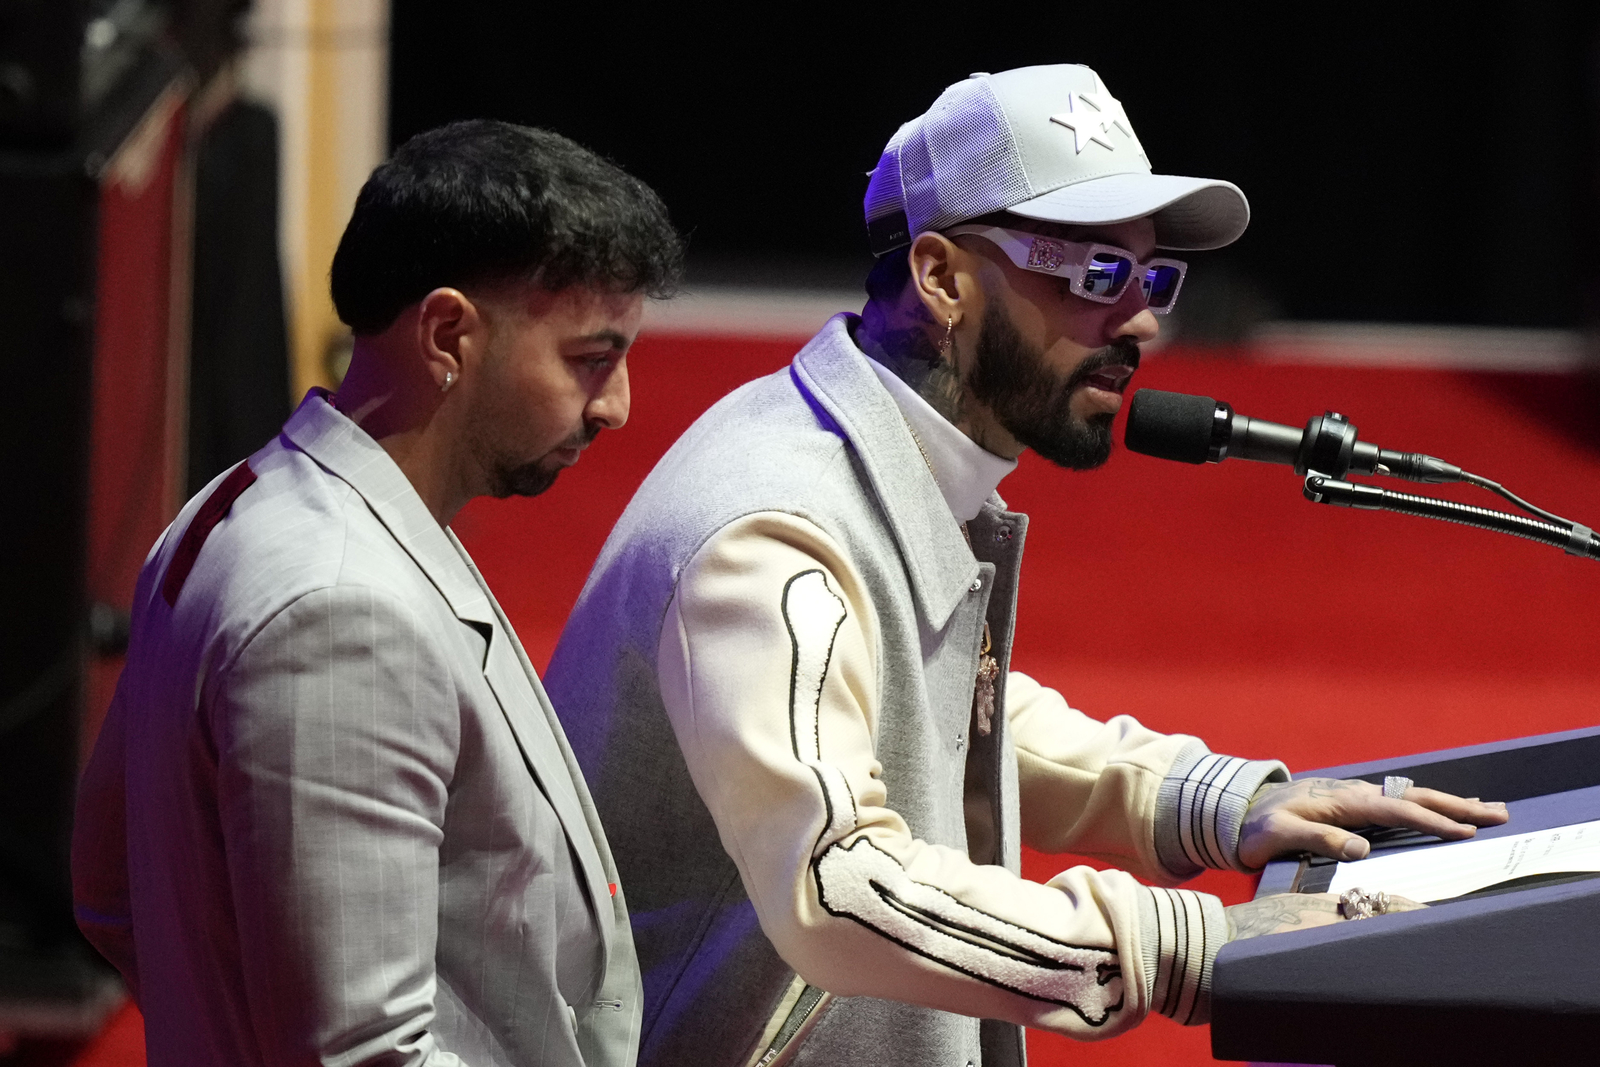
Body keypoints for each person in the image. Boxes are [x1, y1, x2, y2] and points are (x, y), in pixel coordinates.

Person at [542, 65, 1507, 1067]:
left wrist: (1214, 801)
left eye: (1151, 278)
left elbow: (929, 715)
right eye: (1096, 274)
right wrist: (1192, 943)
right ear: (942, 278)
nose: (1141, 321)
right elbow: (838, 884)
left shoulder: (883, 453)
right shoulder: (773, 529)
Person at [71, 120, 683, 1067]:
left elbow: (112, 890)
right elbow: (364, 1054)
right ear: (447, 335)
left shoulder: (228, 505)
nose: (618, 405)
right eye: (590, 358)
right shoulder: (342, 609)